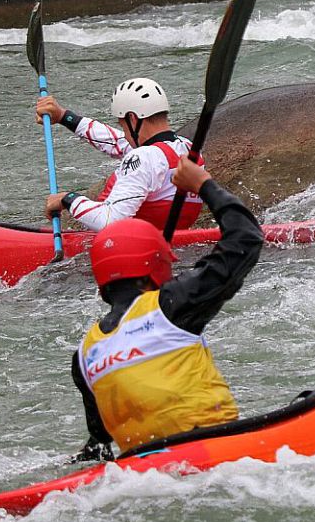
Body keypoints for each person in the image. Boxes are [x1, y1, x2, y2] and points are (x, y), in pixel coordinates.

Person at [72, 156, 264, 461]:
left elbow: (100, 441)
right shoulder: (172, 305)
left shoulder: (84, 355)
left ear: (102, 284)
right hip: (216, 452)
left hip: (144, 468)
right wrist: (203, 185)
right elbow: (246, 238)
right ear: (155, 270)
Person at [36, 78, 205, 231]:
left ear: (132, 119)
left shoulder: (144, 157)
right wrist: (64, 116)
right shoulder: (187, 148)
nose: (124, 133)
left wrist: (68, 199)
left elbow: (109, 222)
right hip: (168, 240)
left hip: (128, 248)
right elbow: (116, 142)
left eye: (122, 125)